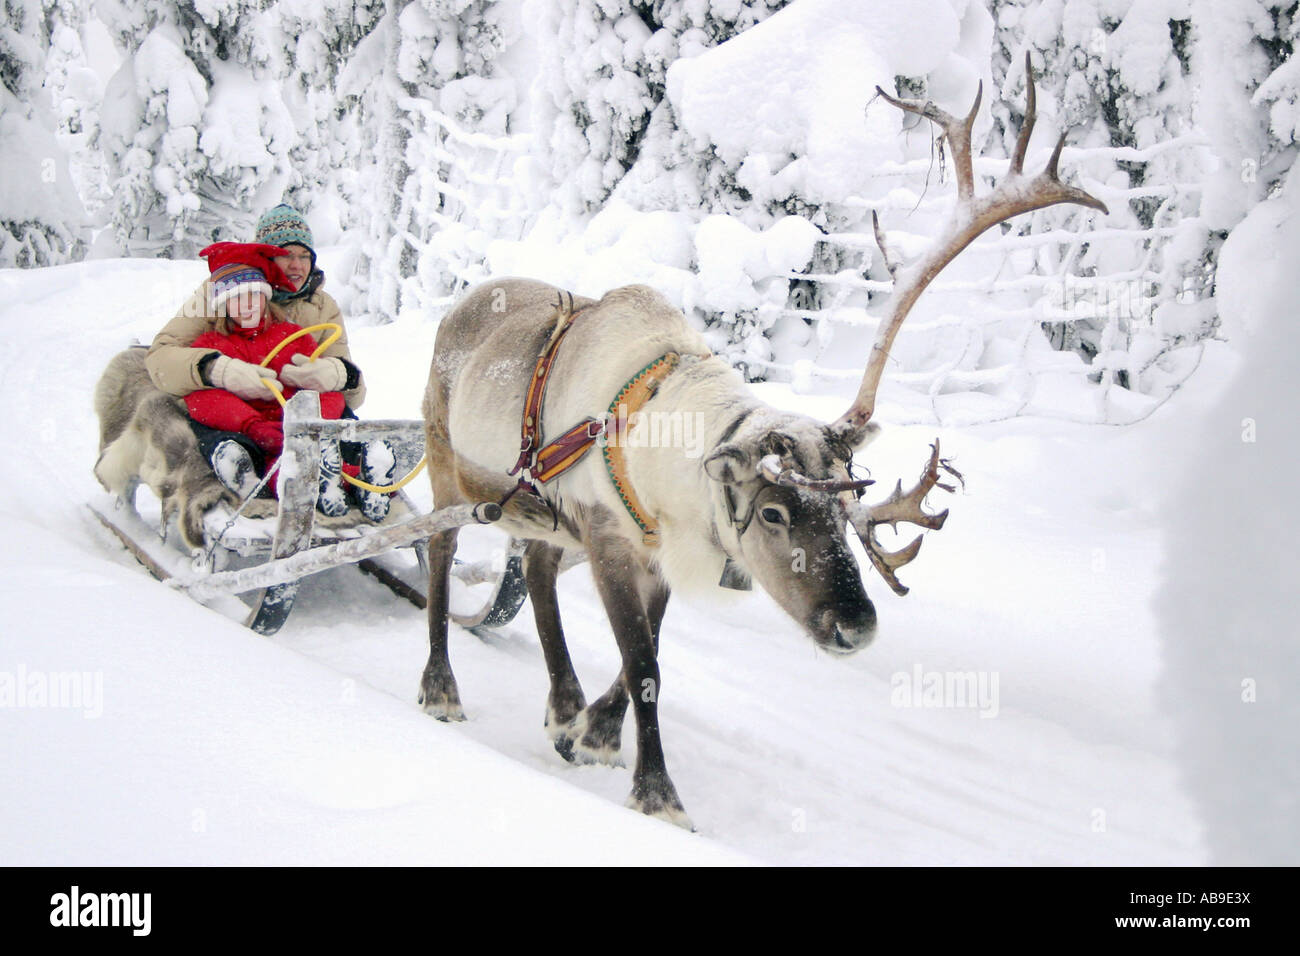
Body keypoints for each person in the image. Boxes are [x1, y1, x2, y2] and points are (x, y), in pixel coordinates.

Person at [145, 204, 393, 521]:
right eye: (285, 254)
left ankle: (362, 471)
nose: (296, 264)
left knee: (334, 421)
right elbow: (161, 358)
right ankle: (259, 472)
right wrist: (216, 369)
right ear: (265, 258)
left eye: (304, 256)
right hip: (239, 412)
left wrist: (338, 375)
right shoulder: (221, 289)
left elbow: (351, 396)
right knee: (214, 431)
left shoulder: (321, 307)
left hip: (297, 409)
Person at [182, 241, 353, 515]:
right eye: (236, 298)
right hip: (252, 433)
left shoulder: (291, 335)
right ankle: (316, 483)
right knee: (273, 464)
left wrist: (310, 418)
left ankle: (361, 478)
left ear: (265, 297)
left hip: (297, 425)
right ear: (223, 304)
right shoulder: (210, 344)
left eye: (254, 296)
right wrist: (251, 424)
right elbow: (202, 399)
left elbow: (325, 386)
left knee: (328, 414)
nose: (247, 305)